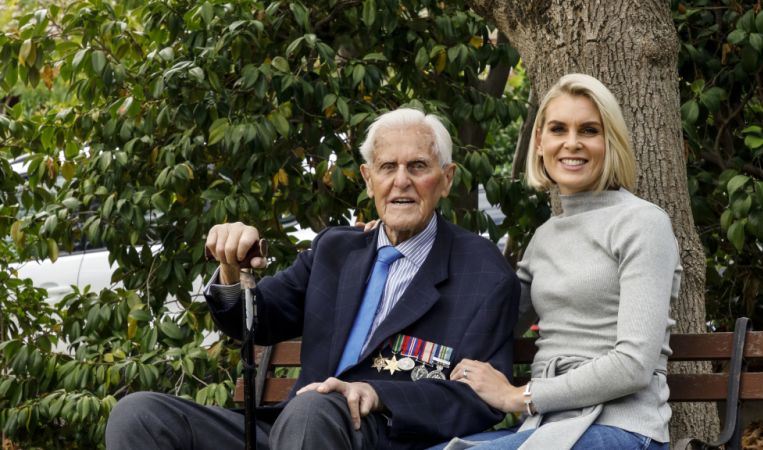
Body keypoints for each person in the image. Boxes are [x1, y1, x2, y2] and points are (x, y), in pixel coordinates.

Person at [104, 108, 520, 450]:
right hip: (291, 432)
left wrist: (379, 396)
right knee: (139, 416)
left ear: (446, 179)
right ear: (367, 178)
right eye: (387, 167)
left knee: (313, 409)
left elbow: (477, 400)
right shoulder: (337, 250)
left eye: (418, 167)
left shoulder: (483, 273)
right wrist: (232, 269)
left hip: (385, 436)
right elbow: (254, 322)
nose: (401, 181)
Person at [431, 74, 682, 450]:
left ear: (609, 140)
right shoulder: (545, 237)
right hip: (545, 429)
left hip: (622, 428)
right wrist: (397, 236)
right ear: (539, 142)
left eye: (589, 130)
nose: (572, 143)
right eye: (558, 129)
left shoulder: (643, 224)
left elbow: (632, 364)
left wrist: (519, 397)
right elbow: (489, 319)